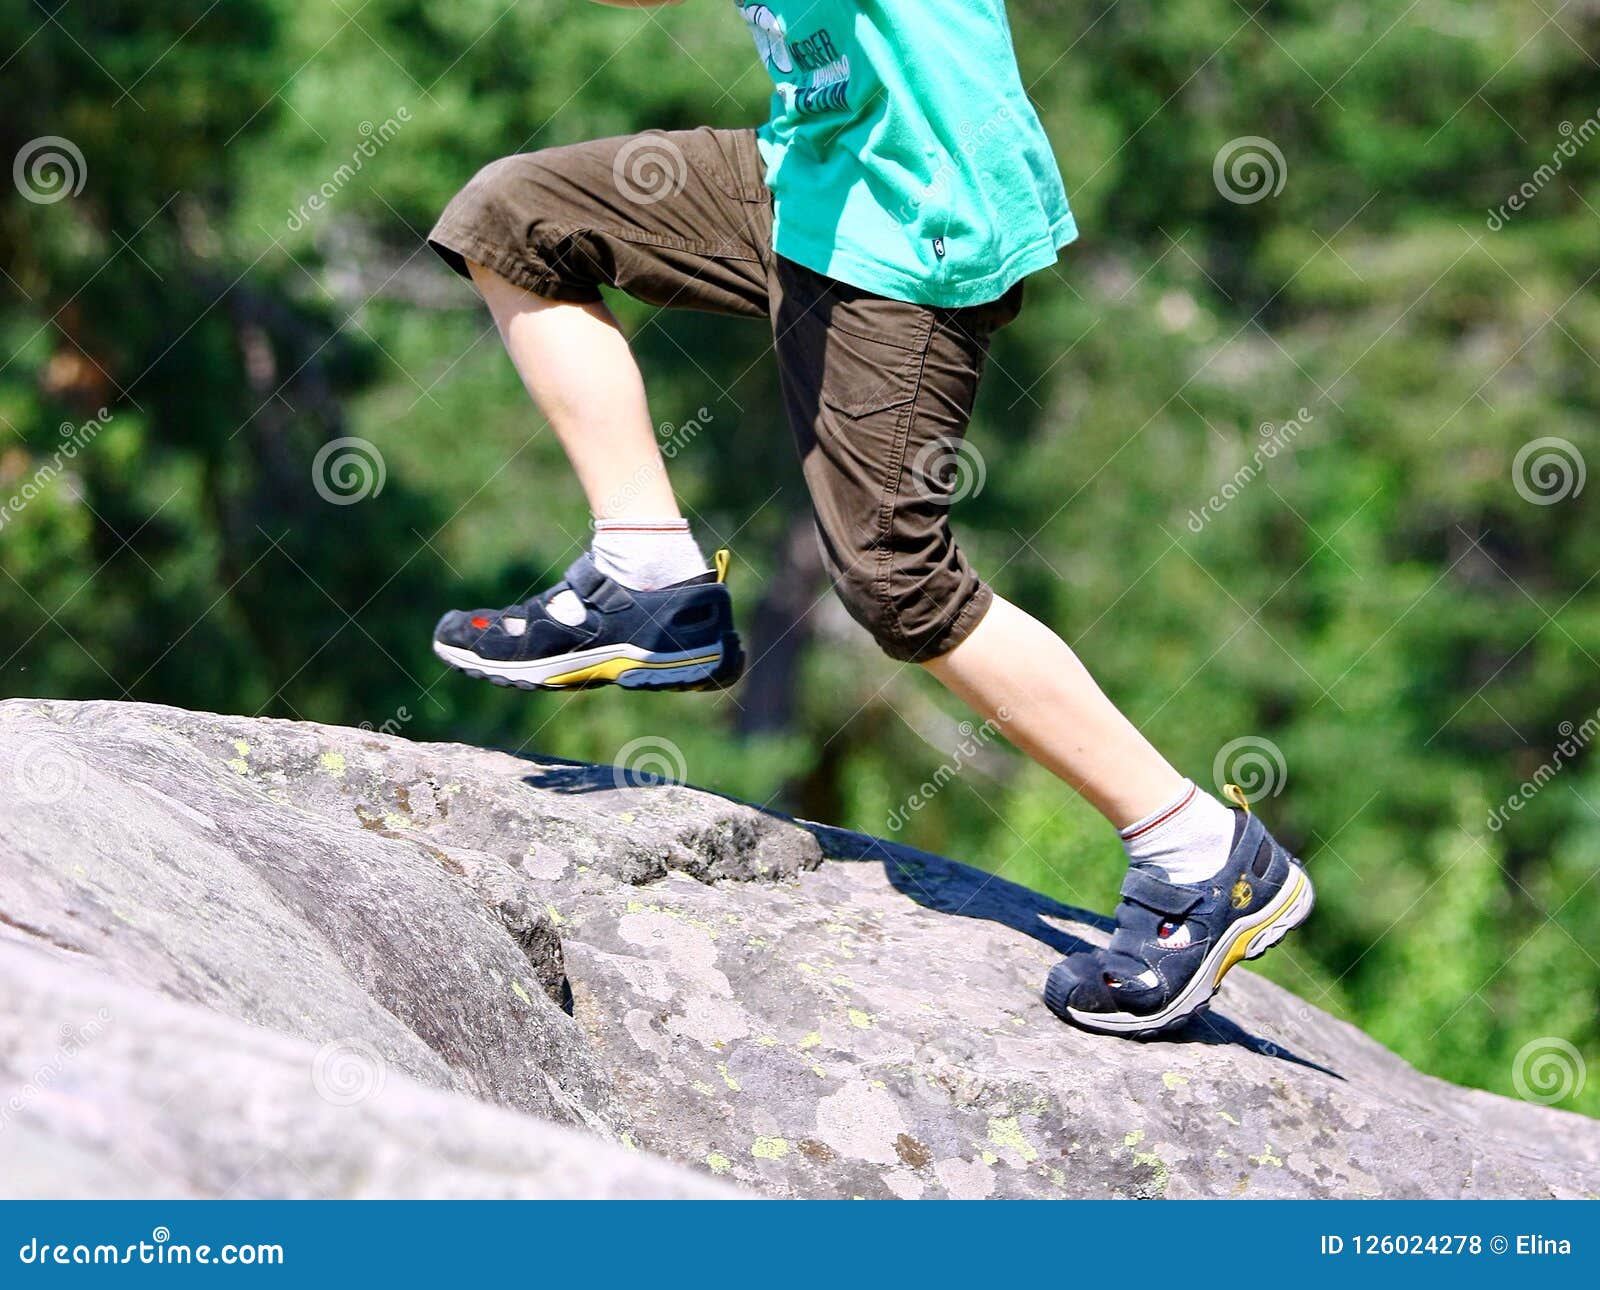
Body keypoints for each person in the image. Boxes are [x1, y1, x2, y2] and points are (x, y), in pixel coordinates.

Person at [425, 0, 1314, 1036]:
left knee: (897, 579)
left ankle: (1199, 850)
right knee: (516, 218)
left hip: (917, 210)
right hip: (813, 173)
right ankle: (647, 574)